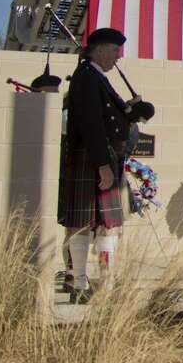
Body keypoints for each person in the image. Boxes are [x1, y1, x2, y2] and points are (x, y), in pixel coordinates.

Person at [57, 28, 136, 303]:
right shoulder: (86, 77)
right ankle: (79, 281)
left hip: (103, 157)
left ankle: (105, 283)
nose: (118, 56)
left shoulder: (96, 77)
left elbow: (111, 117)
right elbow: (92, 122)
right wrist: (102, 163)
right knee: (85, 225)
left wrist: (134, 113)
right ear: (101, 49)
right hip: (93, 158)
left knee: (106, 226)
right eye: (115, 50)